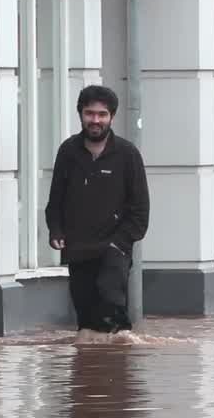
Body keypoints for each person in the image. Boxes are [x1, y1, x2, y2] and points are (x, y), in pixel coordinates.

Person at [45, 85, 150, 340]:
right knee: (86, 316)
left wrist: (119, 244)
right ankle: (89, 373)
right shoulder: (68, 152)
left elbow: (140, 209)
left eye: (102, 114)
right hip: (78, 248)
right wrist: (56, 230)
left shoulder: (127, 155)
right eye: (89, 113)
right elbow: (55, 199)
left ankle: (122, 359)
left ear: (111, 117)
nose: (95, 120)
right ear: (80, 114)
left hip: (114, 247)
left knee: (110, 299)